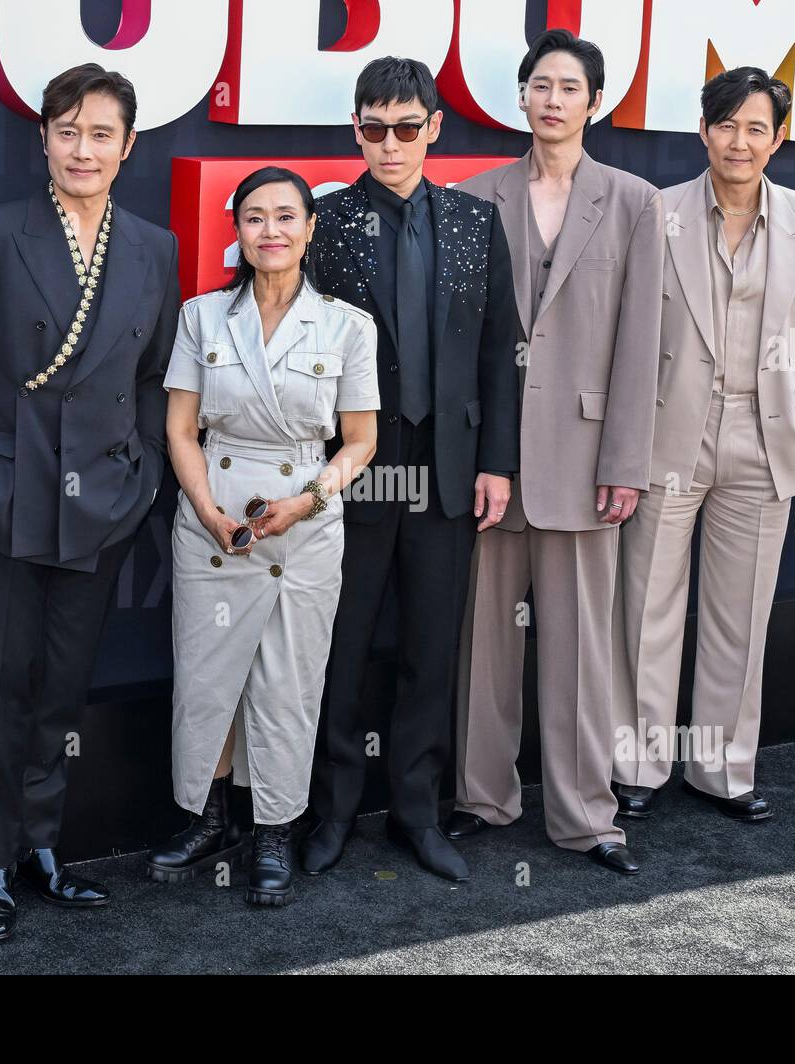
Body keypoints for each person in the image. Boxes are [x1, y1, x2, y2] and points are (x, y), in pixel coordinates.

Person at [0, 63, 181, 942]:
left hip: (103, 503)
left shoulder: (155, 246)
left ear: (128, 145)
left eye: (101, 133)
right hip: (6, 498)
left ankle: (42, 850)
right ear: (43, 138)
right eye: (67, 130)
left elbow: (152, 377)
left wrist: (141, 475)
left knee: (61, 691)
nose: (83, 148)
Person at [442, 30, 663, 876]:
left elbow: (643, 337)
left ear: (593, 102)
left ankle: (584, 817)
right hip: (493, 460)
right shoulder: (474, 195)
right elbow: (465, 339)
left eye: (569, 86)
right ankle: (482, 796)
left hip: (584, 454)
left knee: (580, 649)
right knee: (485, 640)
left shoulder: (634, 200)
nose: (553, 99)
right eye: (540, 83)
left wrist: (626, 461)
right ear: (522, 98)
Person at [303, 57, 521, 883]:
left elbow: (501, 353)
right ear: (355, 130)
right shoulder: (323, 222)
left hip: (449, 471)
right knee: (341, 650)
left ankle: (418, 814)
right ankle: (329, 815)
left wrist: (496, 464)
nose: (388, 143)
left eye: (405, 126)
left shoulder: (474, 222)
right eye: (372, 127)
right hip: (354, 470)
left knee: (433, 649)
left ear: (434, 127)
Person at [145, 167, 379, 906]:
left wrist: (306, 500)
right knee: (209, 676)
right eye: (253, 218)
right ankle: (207, 818)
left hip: (303, 528)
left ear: (311, 229)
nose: (270, 231)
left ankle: (275, 829)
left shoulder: (348, 326)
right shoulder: (201, 317)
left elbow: (361, 444)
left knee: (287, 684)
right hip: (214, 523)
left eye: (285, 217)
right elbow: (180, 429)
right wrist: (209, 507)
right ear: (237, 232)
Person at [611, 67, 795, 822]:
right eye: (726, 125)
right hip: (667, 429)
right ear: (703, 130)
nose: (739, 142)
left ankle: (722, 770)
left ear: (779, 139)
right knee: (647, 607)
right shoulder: (655, 212)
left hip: (765, 436)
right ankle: (637, 766)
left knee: (741, 613)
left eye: (755, 128)